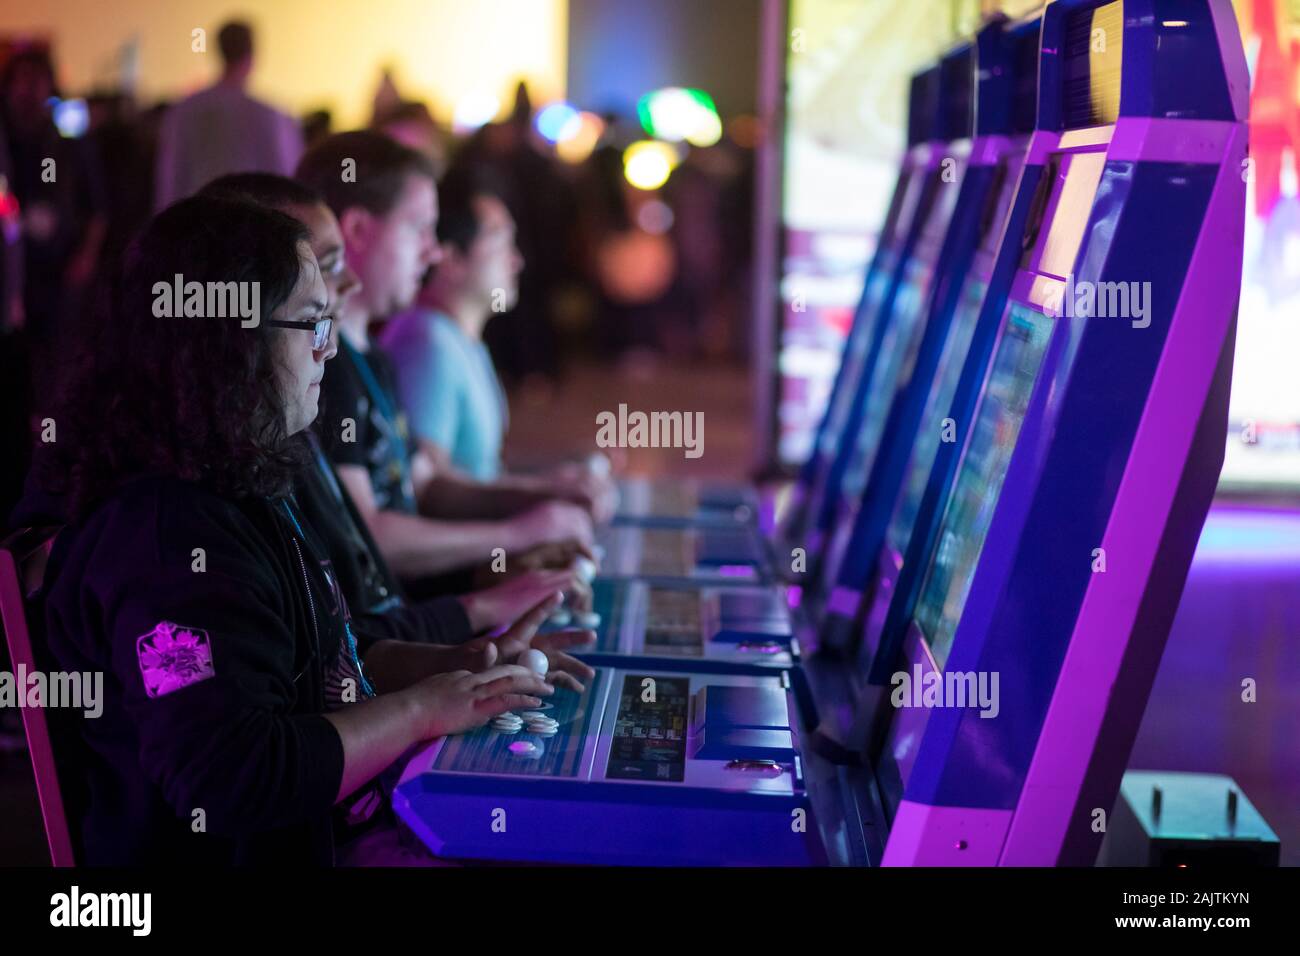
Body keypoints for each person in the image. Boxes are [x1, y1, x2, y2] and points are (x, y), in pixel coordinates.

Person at [29, 196, 561, 864]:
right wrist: (422, 710)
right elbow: (226, 778)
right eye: (312, 323)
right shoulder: (166, 540)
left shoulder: (238, 477)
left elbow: (310, 660)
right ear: (227, 337)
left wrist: (459, 667)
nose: (331, 348)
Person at [197, 171, 595, 643]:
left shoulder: (358, 368)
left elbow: (352, 617)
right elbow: (364, 583)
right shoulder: (397, 350)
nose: (431, 250)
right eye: (419, 229)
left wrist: (493, 576)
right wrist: (507, 548)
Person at [295, 132, 600, 590]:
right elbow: (367, 536)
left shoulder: (372, 357)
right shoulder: (325, 367)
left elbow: (425, 483)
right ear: (358, 230)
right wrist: (514, 537)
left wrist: (549, 497)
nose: (433, 250)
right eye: (419, 228)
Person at [382, 166, 616, 499]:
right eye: (501, 241)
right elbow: (429, 492)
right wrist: (544, 497)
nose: (517, 261)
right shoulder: (428, 342)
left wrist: (557, 474)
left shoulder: (461, 340)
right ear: (450, 258)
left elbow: (480, 472)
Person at [153, 20, 302, 210]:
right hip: (255, 223)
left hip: (196, 220)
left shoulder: (184, 111)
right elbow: (285, 181)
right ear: (252, 55)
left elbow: (170, 178)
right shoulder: (271, 116)